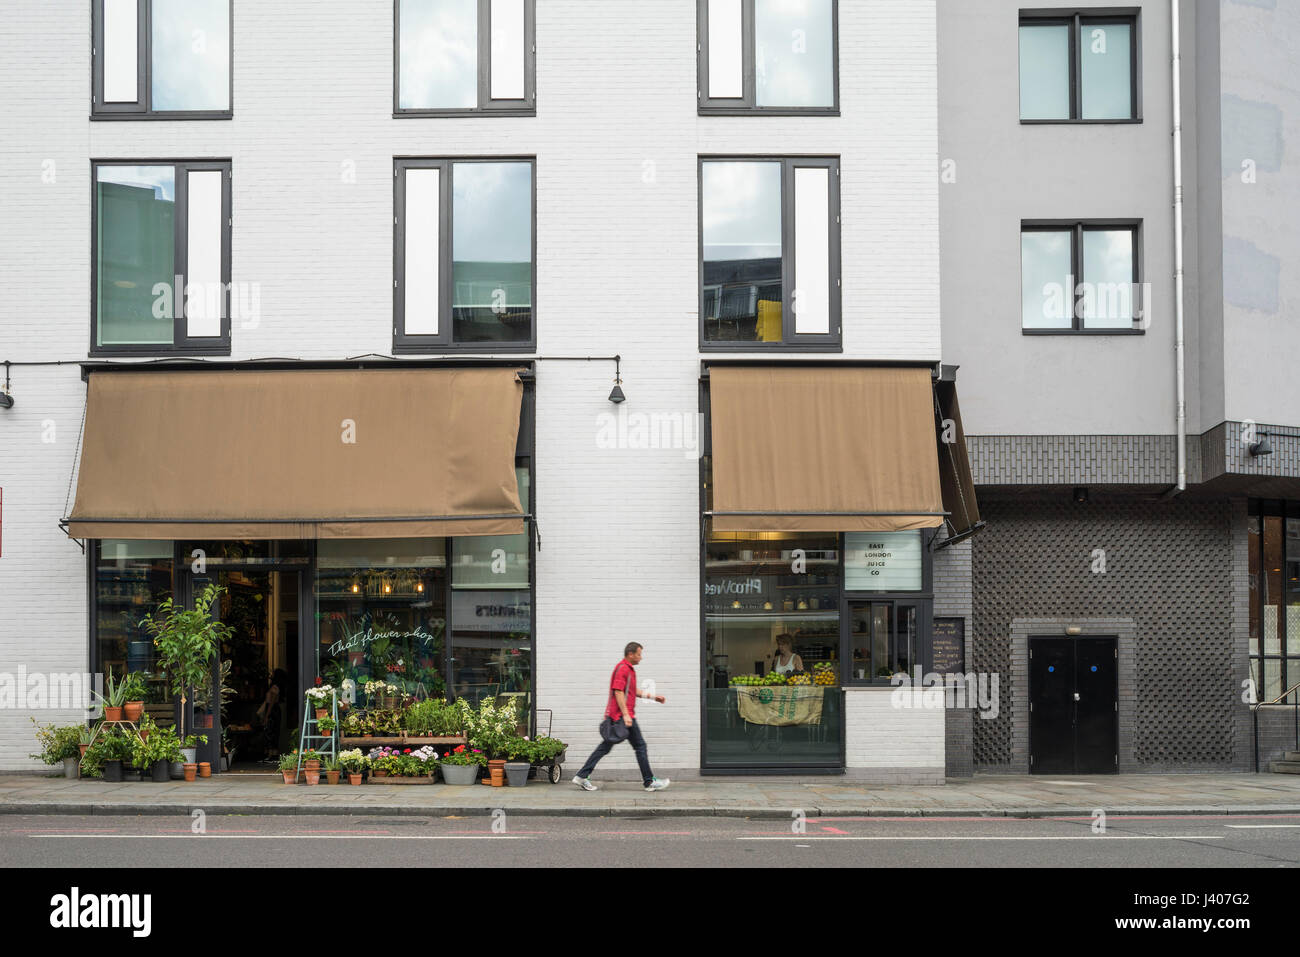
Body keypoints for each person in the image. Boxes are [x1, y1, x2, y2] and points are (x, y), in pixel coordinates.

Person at [573, 642, 669, 792]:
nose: (641, 658)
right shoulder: (623, 668)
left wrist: (654, 697)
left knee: (606, 747)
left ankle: (582, 775)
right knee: (640, 746)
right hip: (622, 717)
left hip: (623, 716)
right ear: (630, 654)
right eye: (639, 654)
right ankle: (649, 782)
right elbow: (618, 691)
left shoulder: (628, 669)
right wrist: (625, 715)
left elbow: (633, 691)